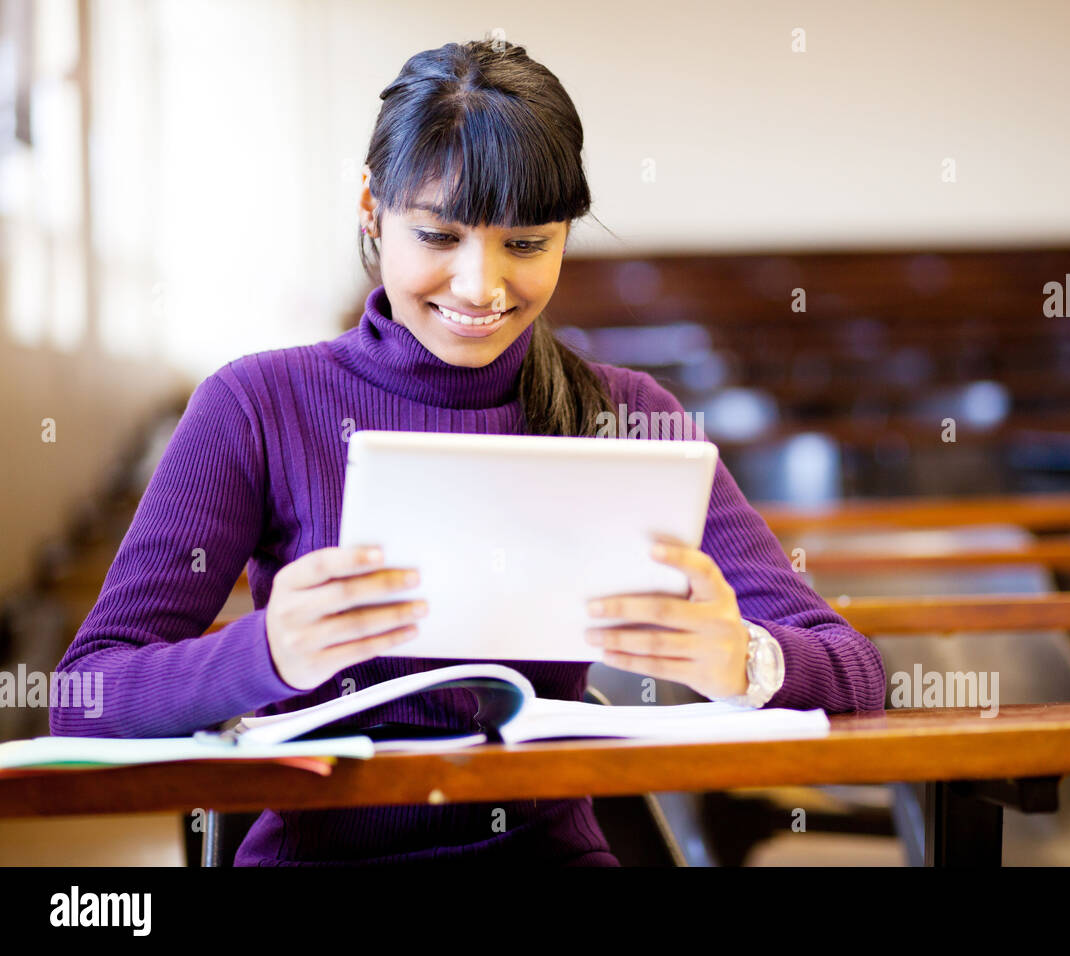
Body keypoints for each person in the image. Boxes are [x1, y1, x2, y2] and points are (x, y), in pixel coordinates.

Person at [50, 38, 885, 865]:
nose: (481, 288)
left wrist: (742, 659)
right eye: (438, 236)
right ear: (372, 209)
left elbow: (854, 671)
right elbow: (84, 699)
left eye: (526, 244)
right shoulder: (256, 406)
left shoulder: (627, 414)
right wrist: (265, 652)